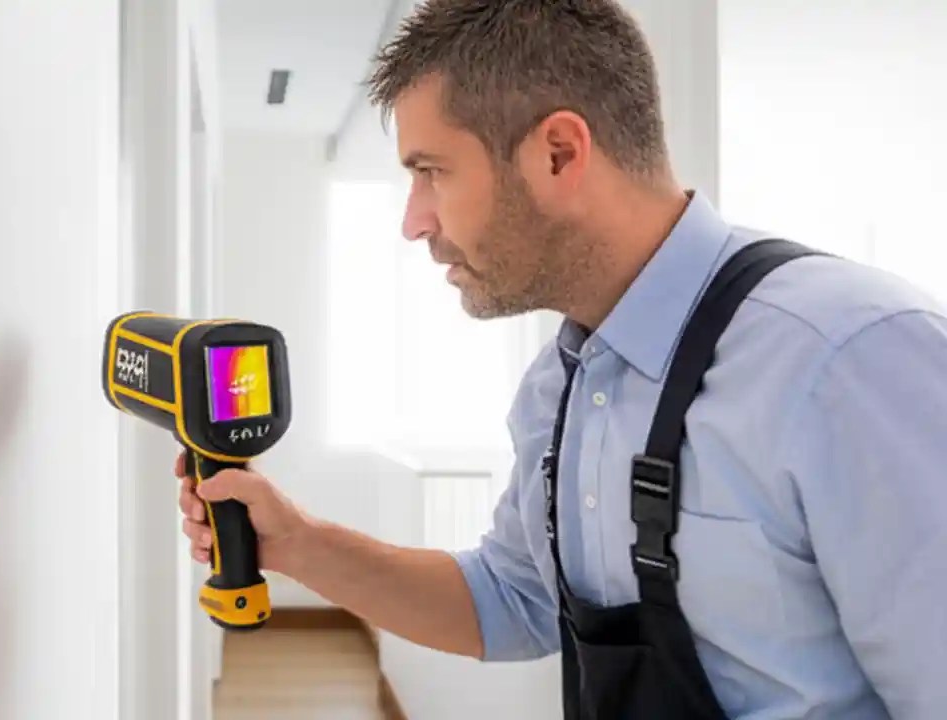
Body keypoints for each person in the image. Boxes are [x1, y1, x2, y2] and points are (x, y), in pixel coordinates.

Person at [178, 1, 947, 717]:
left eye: (431, 172)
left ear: (557, 153)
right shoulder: (561, 385)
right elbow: (510, 600)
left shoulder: (850, 356)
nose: (414, 223)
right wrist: (298, 544)